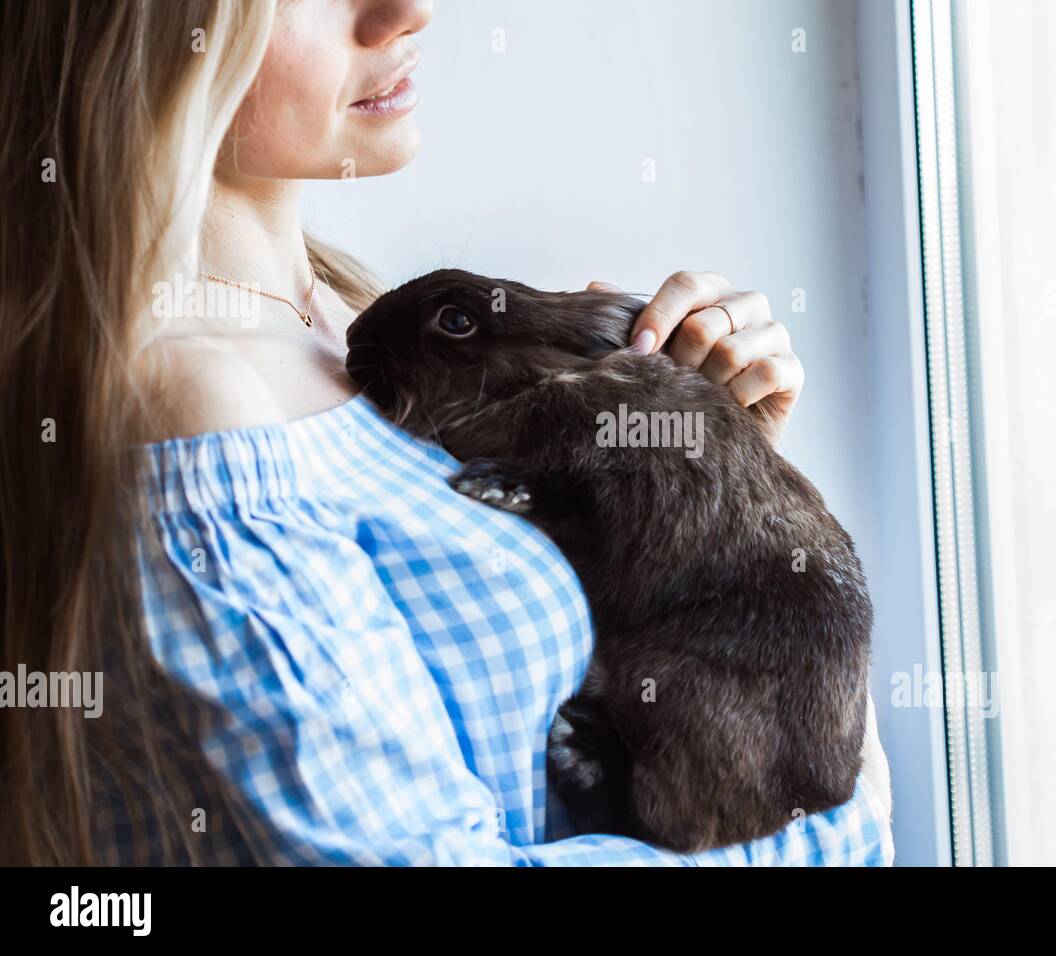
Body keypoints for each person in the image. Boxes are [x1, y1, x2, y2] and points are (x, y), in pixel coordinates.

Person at [0, 0, 892, 865]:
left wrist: (730, 489)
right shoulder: (197, 410)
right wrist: (832, 833)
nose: (408, 9)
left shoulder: (356, 321)